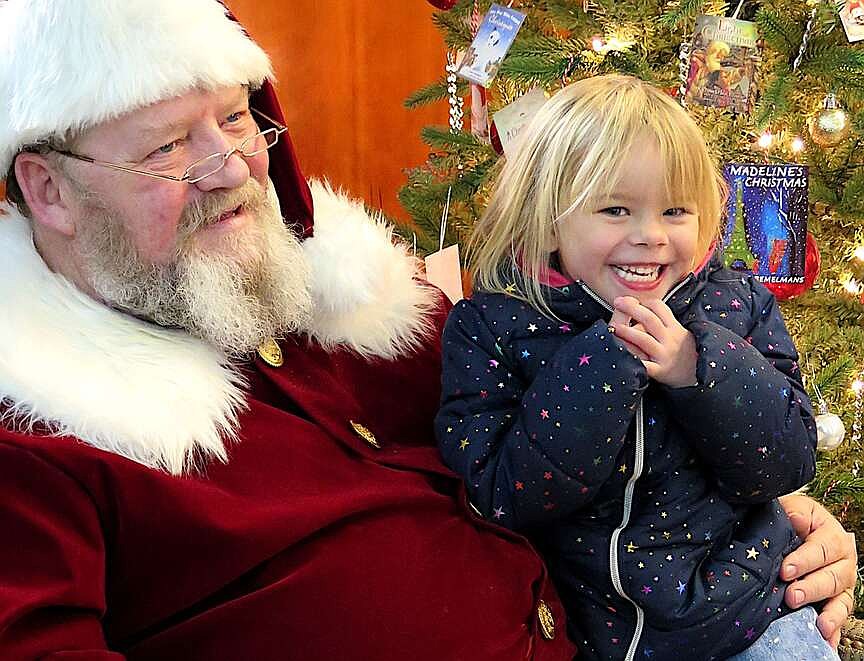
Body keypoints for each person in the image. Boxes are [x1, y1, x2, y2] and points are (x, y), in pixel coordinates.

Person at [0, 3, 854, 659]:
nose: (232, 165)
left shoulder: (375, 309)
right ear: (48, 191)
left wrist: (771, 514)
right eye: (164, 148)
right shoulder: (39, 443)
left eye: (233, 118)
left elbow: (554, 441)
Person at [435, 75, 850, 660]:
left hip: (752, 618)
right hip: (582, 627)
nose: (650, 235)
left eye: (675, 210)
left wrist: (698, 367)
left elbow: (783, 462)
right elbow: (504, 494)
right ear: (552, 219)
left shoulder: (737, 307)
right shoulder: (496, 326)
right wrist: (603, 364)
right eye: (615, 209)